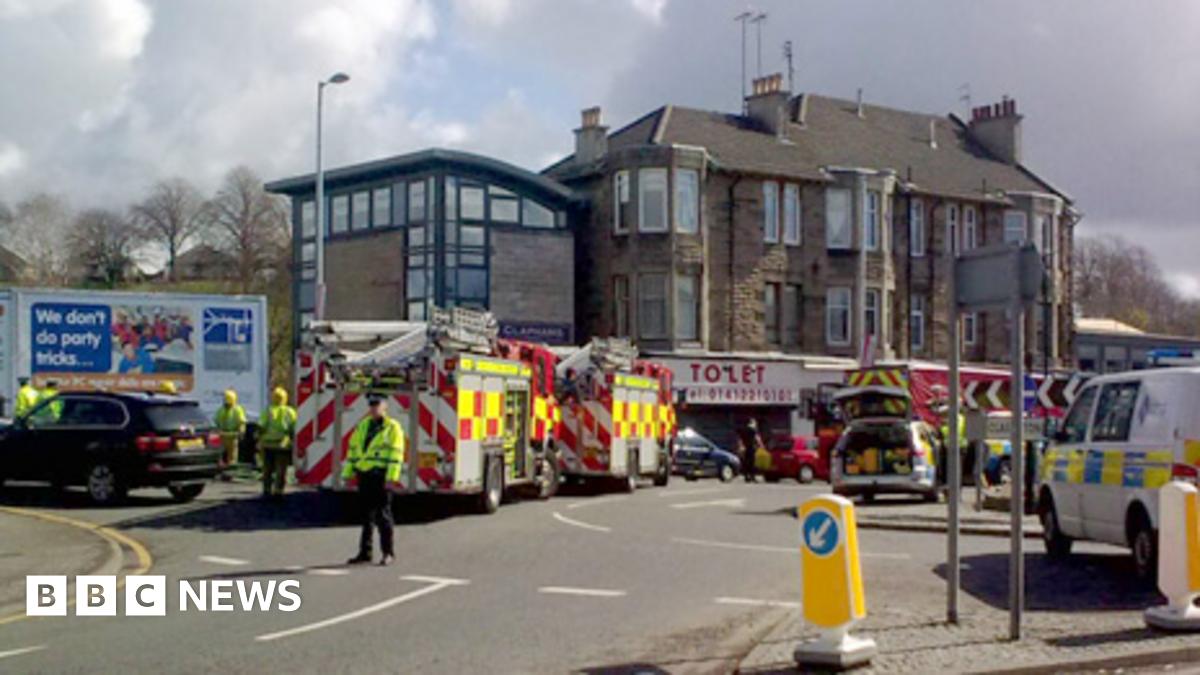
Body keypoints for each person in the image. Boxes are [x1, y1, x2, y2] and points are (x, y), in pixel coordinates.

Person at [344, 394, 406, 567]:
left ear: (385, 406)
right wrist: (348, 474)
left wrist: (391, 478)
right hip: (365, 475)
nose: (373, 408)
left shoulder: (393, 428)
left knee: (383, 516)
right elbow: (353, 450)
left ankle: (388, 553)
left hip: (381, 476)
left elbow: (396, 454)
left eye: (377, 405)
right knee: (366, 516)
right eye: (371, 405)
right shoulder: (363, 425)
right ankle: (365, 552)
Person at [257, 387, 296, 500]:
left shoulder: (268, 411)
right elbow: (293, 428)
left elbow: (261, 426)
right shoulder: (290, 412)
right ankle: (279, 491)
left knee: (267, 470)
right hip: (282, 445)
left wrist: (259, 438)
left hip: (267, 445)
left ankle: (267, 490)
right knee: (281, 470)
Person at [214, 389, 247, 474]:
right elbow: (216, 421)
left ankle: (231, 472)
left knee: (232, 456)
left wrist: (241, 431)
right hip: (223, 436)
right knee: (220, 455)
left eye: (228, 402)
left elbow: (241, 422)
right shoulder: (221, 410)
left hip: (232, 436)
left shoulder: (237, 409)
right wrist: (217, 431)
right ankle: (221, 471)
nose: (227, 404)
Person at [738, 419, 764, 483]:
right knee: (752, 462)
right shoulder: (753, 430)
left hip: (745, 448)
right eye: (755, 423)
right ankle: (753, 476)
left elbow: (740, 439)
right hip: (752, 448)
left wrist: (740, 447)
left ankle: (746, 477)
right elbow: (757, 438)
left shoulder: (743, 430)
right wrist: (761, 445)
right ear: (753, 423)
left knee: (746, 462)